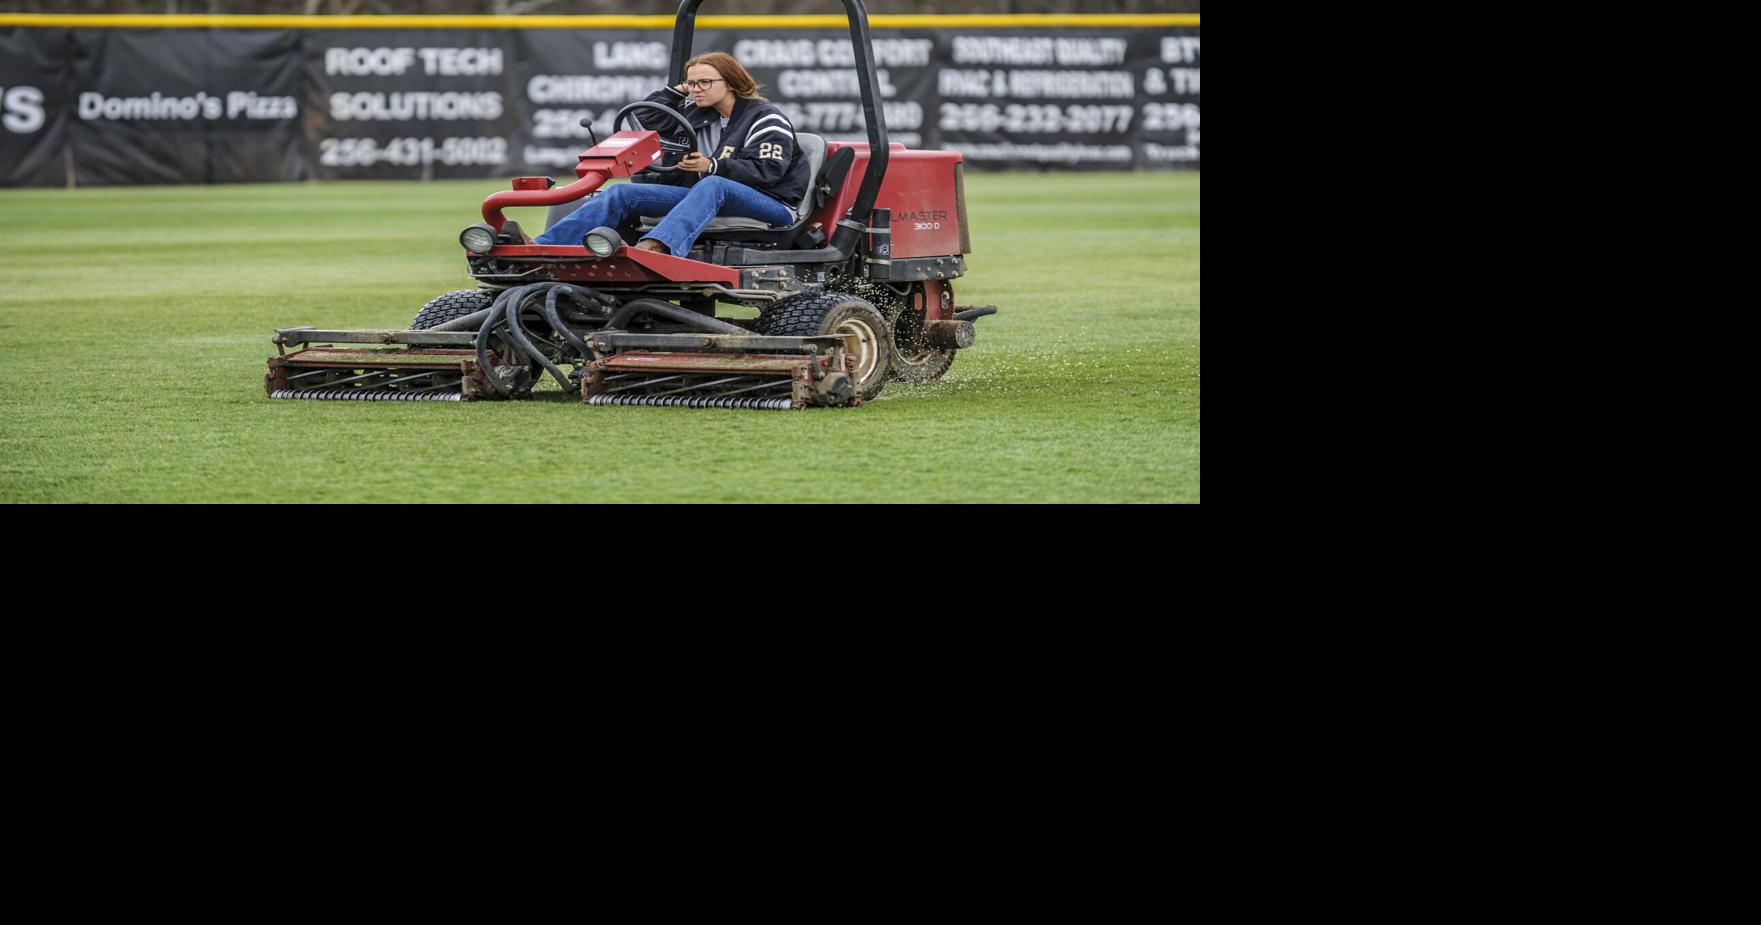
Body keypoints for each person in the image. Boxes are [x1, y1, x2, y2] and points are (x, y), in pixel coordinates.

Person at [536, 52, 809, 256]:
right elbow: (645, 116)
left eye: (704, 82)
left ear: (731, 83)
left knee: (713, 183)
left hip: (772, 203)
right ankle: (541, 249)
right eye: (691, 83)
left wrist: (712, 166)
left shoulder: (765, 118)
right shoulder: (696, 114)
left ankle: (656, 247)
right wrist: (675, 91)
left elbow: (769, 171)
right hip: (709, 196)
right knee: (621, 194)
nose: (696, 89)